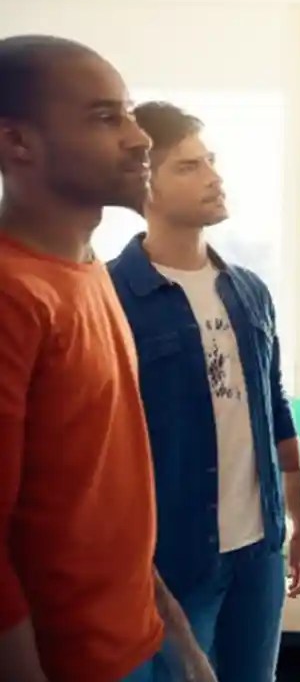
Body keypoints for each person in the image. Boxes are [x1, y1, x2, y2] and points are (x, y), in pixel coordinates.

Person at [0, 35, 211, 682]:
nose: (140, 138)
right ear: (17, 142)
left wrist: (175, 632)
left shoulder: (88, 271)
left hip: (140, 640)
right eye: (105, 117)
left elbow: (99, 491)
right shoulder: (13, 294)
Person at [107, 101, 300, 681]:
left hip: (259, 552)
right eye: (188, 166)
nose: (213, 176)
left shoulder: (249, 290)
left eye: (211, 161)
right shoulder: (112, 295)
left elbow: (275, 410)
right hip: (171, 557)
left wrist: (299, 520)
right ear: (146, 185)